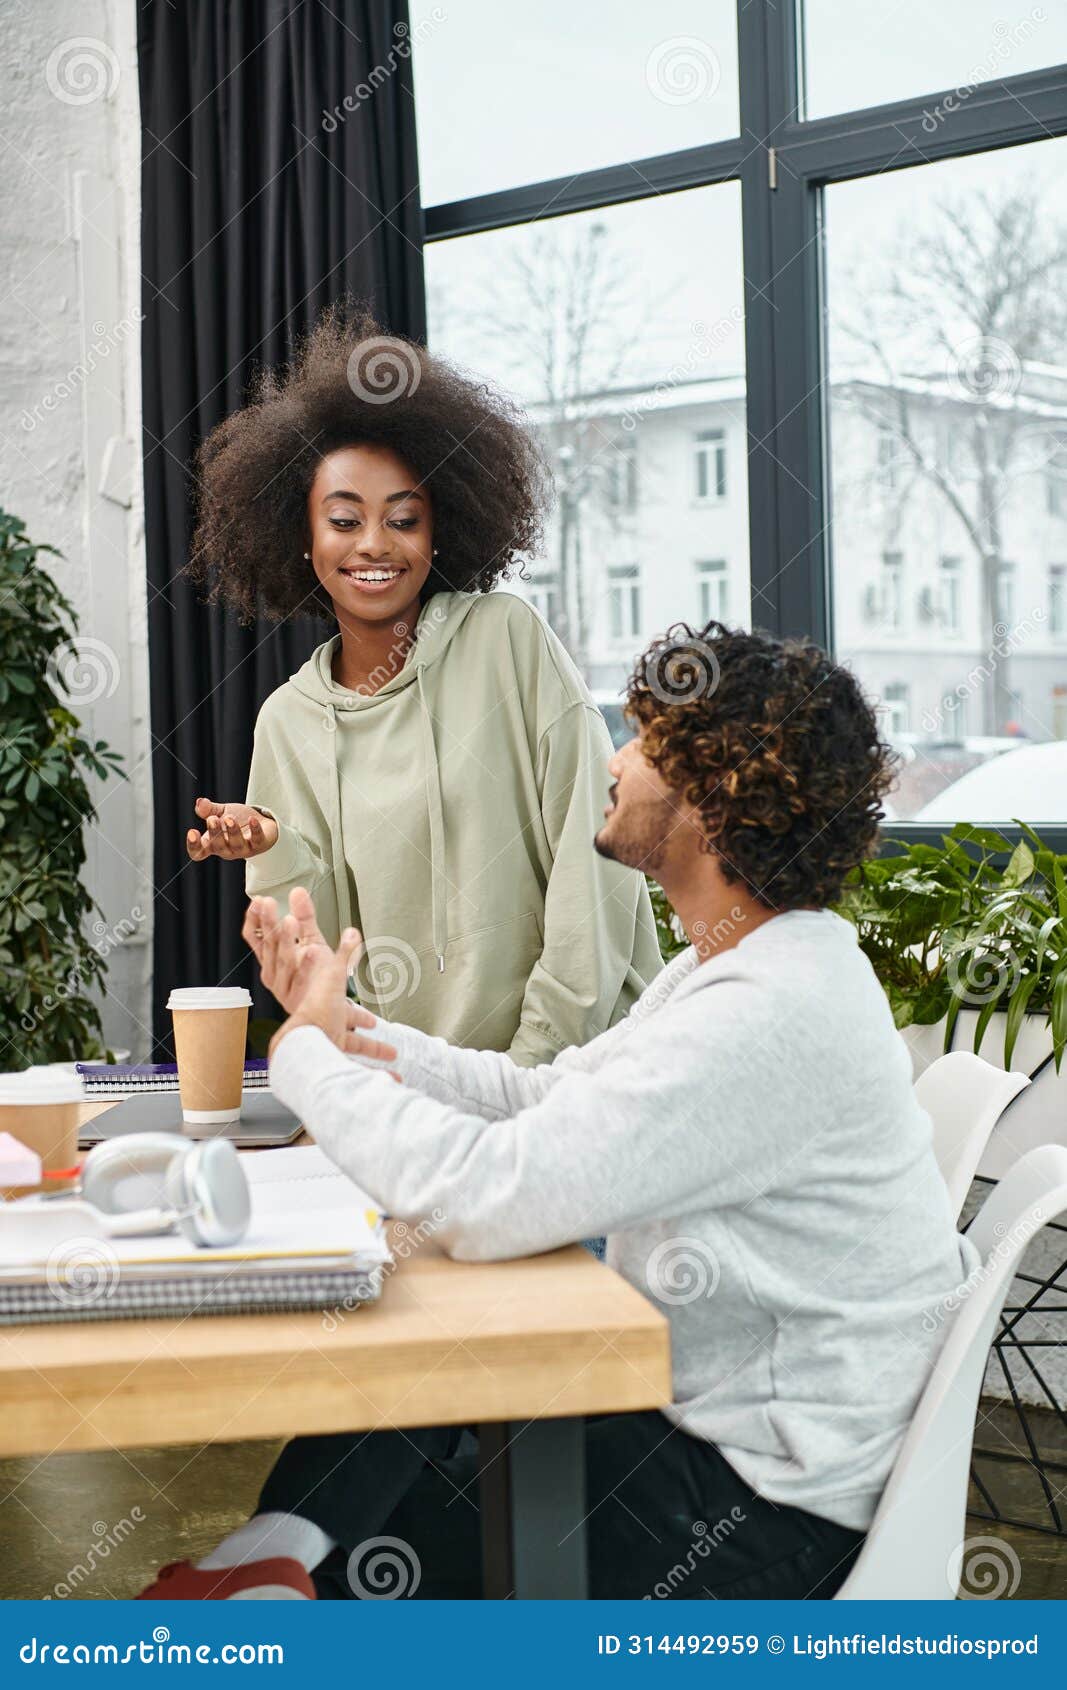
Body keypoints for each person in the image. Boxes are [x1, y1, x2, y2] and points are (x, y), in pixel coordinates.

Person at [141, 621, 979, 1601]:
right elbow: (549, 1094)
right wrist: (362, 1033)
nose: (614, 760)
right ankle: (267, 1566)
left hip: (758, 1519)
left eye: (646, 744)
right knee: (418, 1359)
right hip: (709, 1438)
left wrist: (305, 1057)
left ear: (714, 798)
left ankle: (273, 1586)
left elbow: (491, 1196)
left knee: (383, 1533)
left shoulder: (769, 1011)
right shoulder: (743, 959)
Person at [183, 301, 660, 1062]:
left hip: (582, 1068)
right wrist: (276, 847)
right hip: (419, 1087)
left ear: (439, 535)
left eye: (403, 520)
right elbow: (324, 957)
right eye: (343, 521)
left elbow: (593, 864)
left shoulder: (507, 642)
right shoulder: (289, 720)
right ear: (300, 539)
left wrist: (527, 1068)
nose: (373, 544)